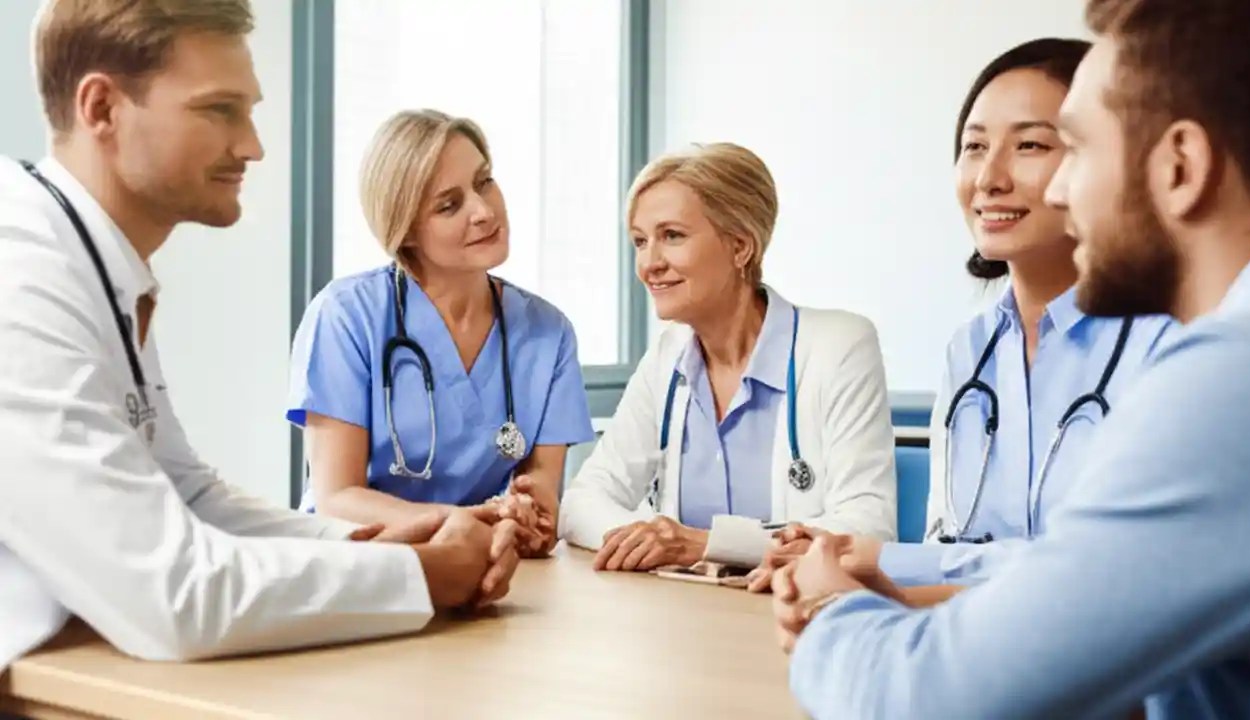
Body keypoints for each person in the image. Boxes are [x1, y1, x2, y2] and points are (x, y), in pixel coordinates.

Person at [775, 0, 1250, 716]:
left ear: (1181, 167)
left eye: (1078, 147)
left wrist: (832, 609)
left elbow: (926, 701)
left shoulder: (1245, 377)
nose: (1063, 192)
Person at [0, 0, 519, 674]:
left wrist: (368, 542)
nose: (252, 146)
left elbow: (191, 498)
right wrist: (428, 574)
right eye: (219, 110)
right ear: (102, 108)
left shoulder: (93, 265)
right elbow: (174, 596)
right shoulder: (21, 278)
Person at [746, 38, 1176, 595]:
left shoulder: (1166, 340)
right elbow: (946, 545)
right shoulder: (971, 349)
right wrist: (851, 563)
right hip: (980, 639)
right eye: (974, 147)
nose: (989, 178)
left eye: (1030, 145)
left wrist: (886, 563)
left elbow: (1116, 566)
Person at [560, 143, 898, 572]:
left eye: (672, 236)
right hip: (684, 606)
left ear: (740, 247)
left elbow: (867, 530)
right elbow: (581, 503)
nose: (648, 264)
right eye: (640, 242)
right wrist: (649, 540)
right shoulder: (667, 357)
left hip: (794, 606)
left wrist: (705, 545)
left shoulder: (840, 346)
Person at [288, 109, 595, 557]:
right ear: (405, 230)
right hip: (359, 563)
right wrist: (464, 523)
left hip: (483, 566)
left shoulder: (549, 334)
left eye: (484, 182)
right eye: (449, 205)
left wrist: (533, 516)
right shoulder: (347, 316)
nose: (484, 211)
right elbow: (337, 498)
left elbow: (542, 490)